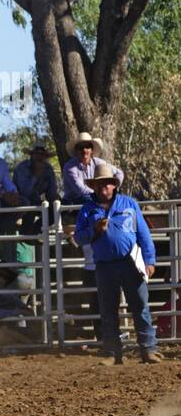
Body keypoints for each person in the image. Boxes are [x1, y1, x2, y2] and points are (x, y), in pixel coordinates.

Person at [73, 163, 161, 364]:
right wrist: (94, 230)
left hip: (131, 262)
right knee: (108, 309)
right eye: (100, 185)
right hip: (104, 265)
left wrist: (149, 260)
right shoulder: (87, 209)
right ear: (94, 186)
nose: (104, 188)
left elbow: (143, 234)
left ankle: (148, 350)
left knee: (140, 306)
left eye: (107, 184)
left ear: (114, 185)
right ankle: (112, 353)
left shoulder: (129, 204)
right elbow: (78, 238)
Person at [62, 132, 123, 205]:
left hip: (96, 197)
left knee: (118, 199)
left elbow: (119, 172)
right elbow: (81, 190)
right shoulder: (69, 167)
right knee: (89, 199)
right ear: (76, 150)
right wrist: (101, 193)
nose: (84, 150)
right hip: (74, 202)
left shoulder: (99, 163)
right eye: (81, 147)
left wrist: (113, 189)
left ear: (92, 150)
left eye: (87, 147)